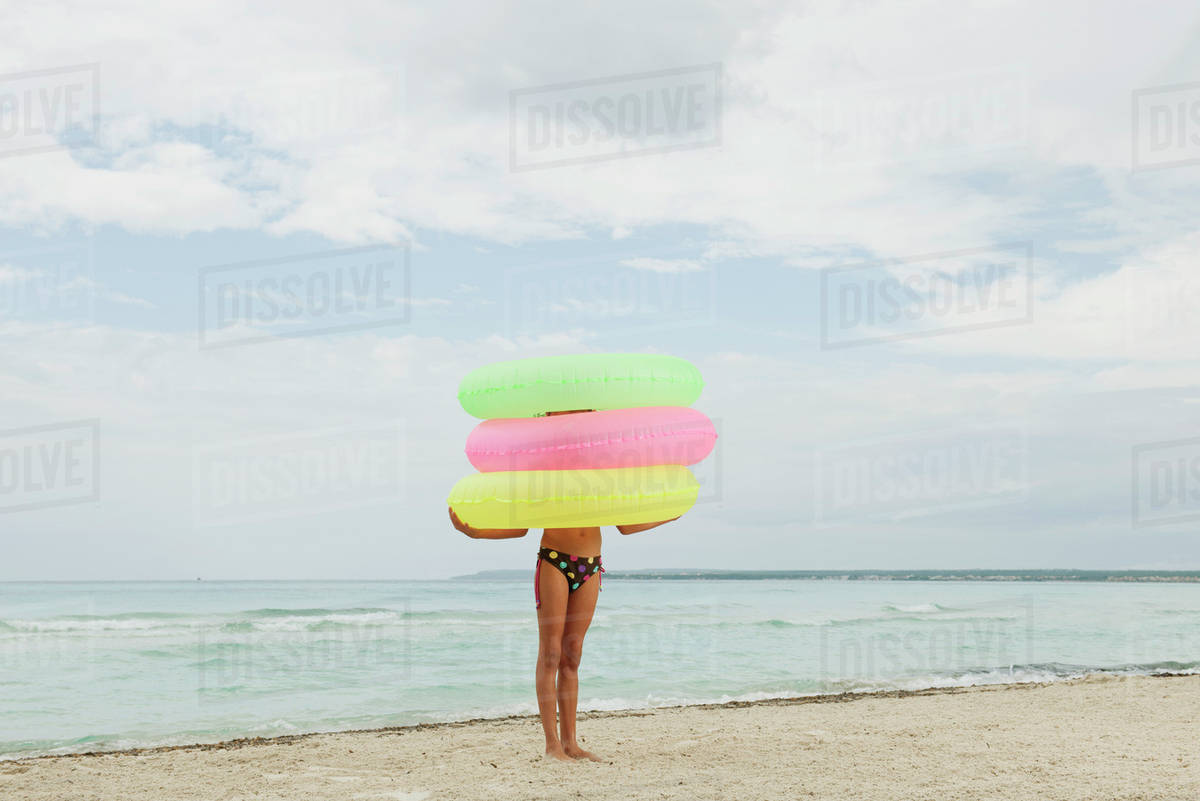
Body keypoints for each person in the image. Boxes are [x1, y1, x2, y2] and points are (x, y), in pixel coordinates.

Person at [448, 409, 678, 761]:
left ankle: (571, 743)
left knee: (573, 655)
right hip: (554, 560)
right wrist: (474, 532)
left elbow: (626, 526)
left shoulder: (603, 472)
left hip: (591, 566)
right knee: (551, 653)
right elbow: (521, 527)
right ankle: (552, 745)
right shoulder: (545, 471)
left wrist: (670, 513)